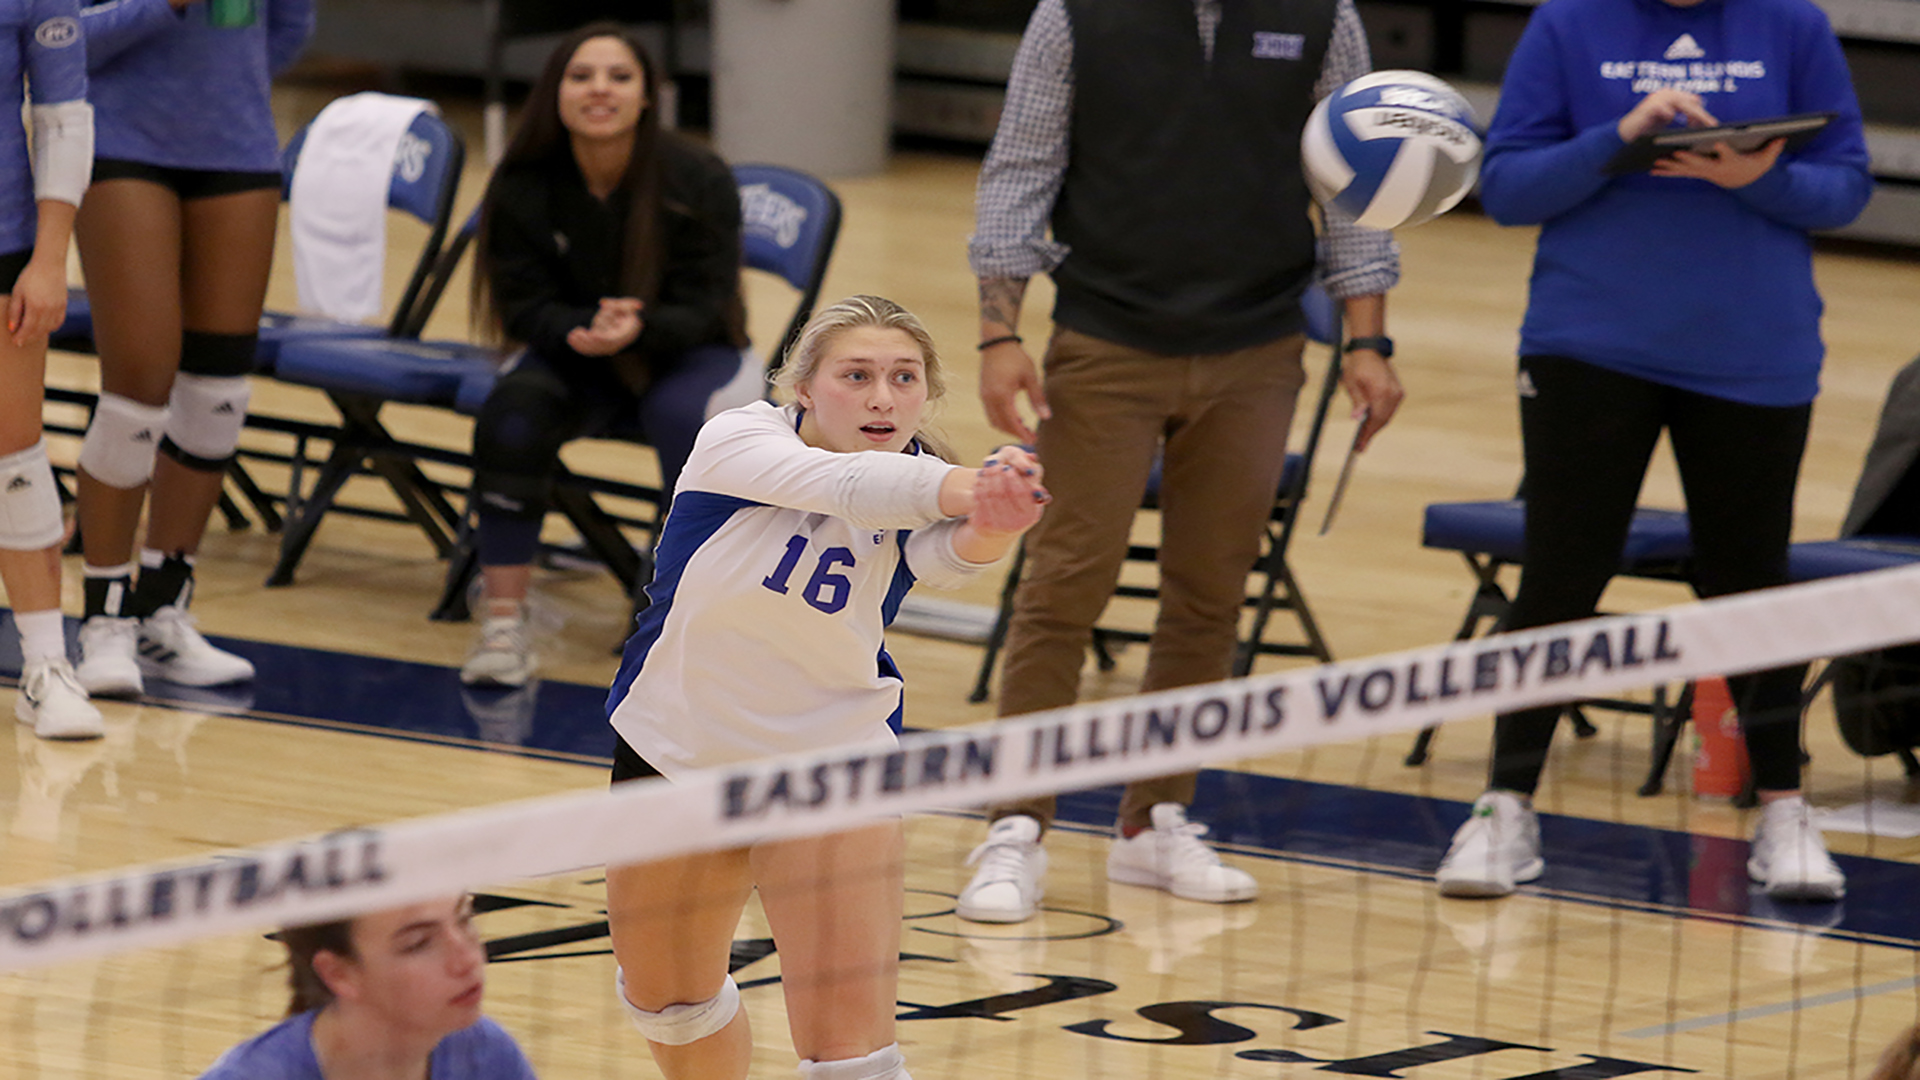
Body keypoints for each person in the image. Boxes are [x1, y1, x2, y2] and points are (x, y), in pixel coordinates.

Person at [954, 0, 1405, 923]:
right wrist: (999, 333)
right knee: (1064, 582)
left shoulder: (1323, 18)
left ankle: (1155, 820)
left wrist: (1370, 343)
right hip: (1106, 338)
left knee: (1209, 593)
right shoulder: (1073, 15)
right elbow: (1021, 170)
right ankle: (1016, 826)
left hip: (1258, 347)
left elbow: (1359, 186)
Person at [1432, 0, 1873, 902]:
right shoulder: (1568, 24)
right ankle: (1504, 807)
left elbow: (1847, 186)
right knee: (1560, 574)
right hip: (1589, 342)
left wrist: (1751, 176)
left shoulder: (1792, 25)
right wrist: (1619, 136)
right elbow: (1509, 190)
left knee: (1751, 579)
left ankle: (1784, 809)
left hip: (1754, 351)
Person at [602, 295, 1048, 1080]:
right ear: (803, 388)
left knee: (853, 1054)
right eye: (858, 376)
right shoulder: (739, 439)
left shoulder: (921, 488)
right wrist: (970, 486)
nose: (883, 397)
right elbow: (849, 487)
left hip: (831, 764)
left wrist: (1003, 512)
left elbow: (960, 553)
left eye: (904, 378)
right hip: (680, 747)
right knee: (668, 1008)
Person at [460, 22, 754, 689]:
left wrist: (639, 325)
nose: (600, 90)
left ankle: (689, 617)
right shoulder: (523, 180)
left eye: (619, 77)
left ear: (648, 96)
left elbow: (709, 305)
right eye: (581, 76)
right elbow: (520, 306)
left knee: (689, 420)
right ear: (555, 92)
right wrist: (582, 327)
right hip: (575, 350)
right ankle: (504, 622)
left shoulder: (696, 174)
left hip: (688, 352)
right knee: (512, 414)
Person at [70, 0, 314, 698]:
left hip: (237, 147)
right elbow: (60, 41)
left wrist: (225, 91)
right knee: (139, 385)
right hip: (121, 146)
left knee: (218, 395)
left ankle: (163, 607)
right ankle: (105, 619)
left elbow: (292, 26)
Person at [1, 0, 102, 740]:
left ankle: (44, 665)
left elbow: (64, 114)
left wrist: (48, 257)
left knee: (15, 452)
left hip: (7, 241)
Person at [197, 895, 537, 1079]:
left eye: (465, 920)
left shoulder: (488, 1055)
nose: (466, 959)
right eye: (418, 944)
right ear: (340, 974)